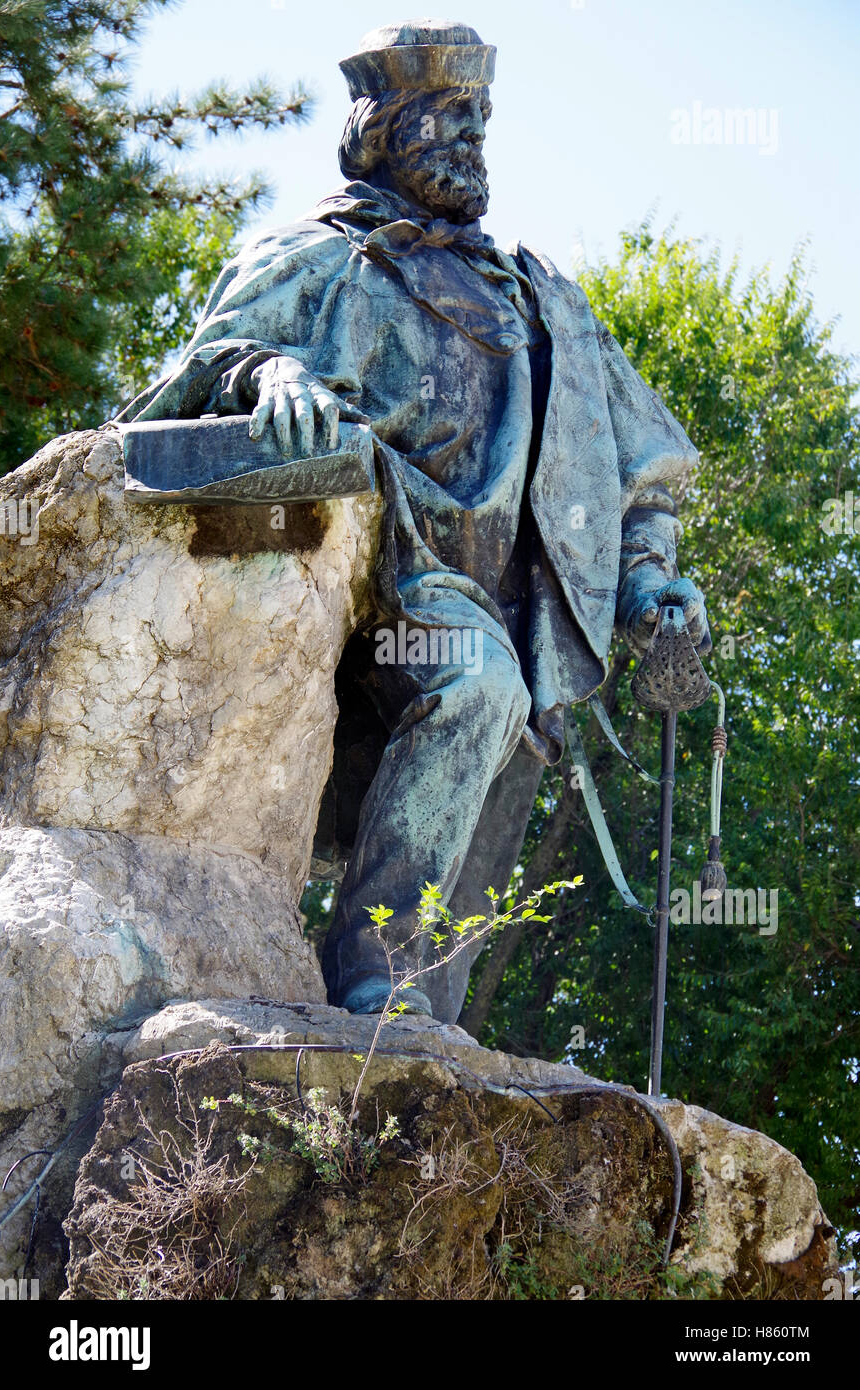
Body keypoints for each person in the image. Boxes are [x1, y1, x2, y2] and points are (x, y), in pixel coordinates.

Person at [120, 20, 710, 1023]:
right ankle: (371, 953)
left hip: (499, 601)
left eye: (480, 116)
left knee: (491, 742)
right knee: (476, 685)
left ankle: (405, 1014)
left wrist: (650, 574)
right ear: (380, 128)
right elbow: (178, 390)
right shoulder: (315, 255)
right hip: (360, 560)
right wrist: (273, 373)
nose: (472, 136)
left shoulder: (538, 296)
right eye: (447, 116)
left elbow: (639, 466)